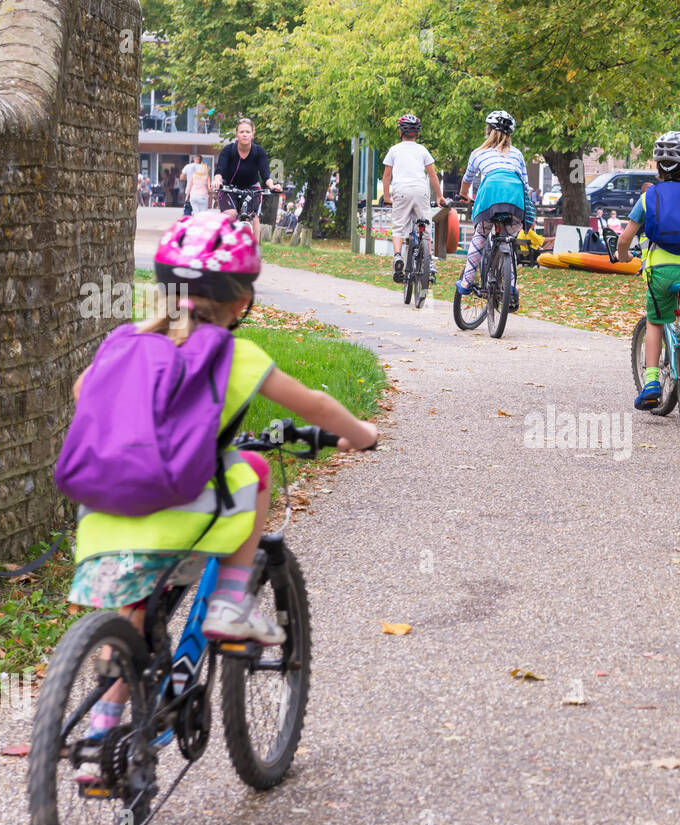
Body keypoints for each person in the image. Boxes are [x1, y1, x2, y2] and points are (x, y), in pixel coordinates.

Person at [65, 209, 378, 736]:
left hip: (101, 517)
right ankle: (232, 601)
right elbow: (317, 406)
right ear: (243, 302)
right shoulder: (234, 355)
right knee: (253, 469)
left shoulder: (124, 342)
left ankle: (99, 734)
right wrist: (361, 434)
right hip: (182, 520)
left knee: (135, 624)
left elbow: (81, 394)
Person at [616, 131, 680, 410]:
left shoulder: (648, 198)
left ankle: (651, 382)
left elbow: (626, 238)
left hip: (661, 272)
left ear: (657, 167)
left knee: (655, 321)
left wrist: (622, 256)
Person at [454, 110, 535, 308]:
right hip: (515, 198)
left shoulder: (478, 153)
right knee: (509, 240)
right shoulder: (517, 154)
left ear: (488, 130)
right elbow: (525, 184)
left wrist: (464, 195)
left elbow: (467, 180)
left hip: (490, 196)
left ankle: (466, 281)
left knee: (480, 236)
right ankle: (511, 287)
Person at [382, 114, 446, 284]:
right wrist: (439, 196)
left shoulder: (394, 150)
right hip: (420, 190)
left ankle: (397, 257)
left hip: (401, 190)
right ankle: (429, 261)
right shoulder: (422, 150)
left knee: (398, 227)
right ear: (417, 134)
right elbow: (432, 175)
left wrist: (387, 197)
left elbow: (387, 175)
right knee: (424, 224)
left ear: (400, 132)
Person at [212, 117, 281, 231]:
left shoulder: (259, 151)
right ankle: (227, 244)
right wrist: (217, 180)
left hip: (252, 189)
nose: (245, 134)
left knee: (253, 218)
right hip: (229, 188)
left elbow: (265, 174)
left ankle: (255, 248)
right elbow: (220, 170)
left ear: (252, 134)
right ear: (236, 134)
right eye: (242, 132)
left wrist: (272, 186)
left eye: (248, 132)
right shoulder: (228, 150)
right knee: (231, 214)